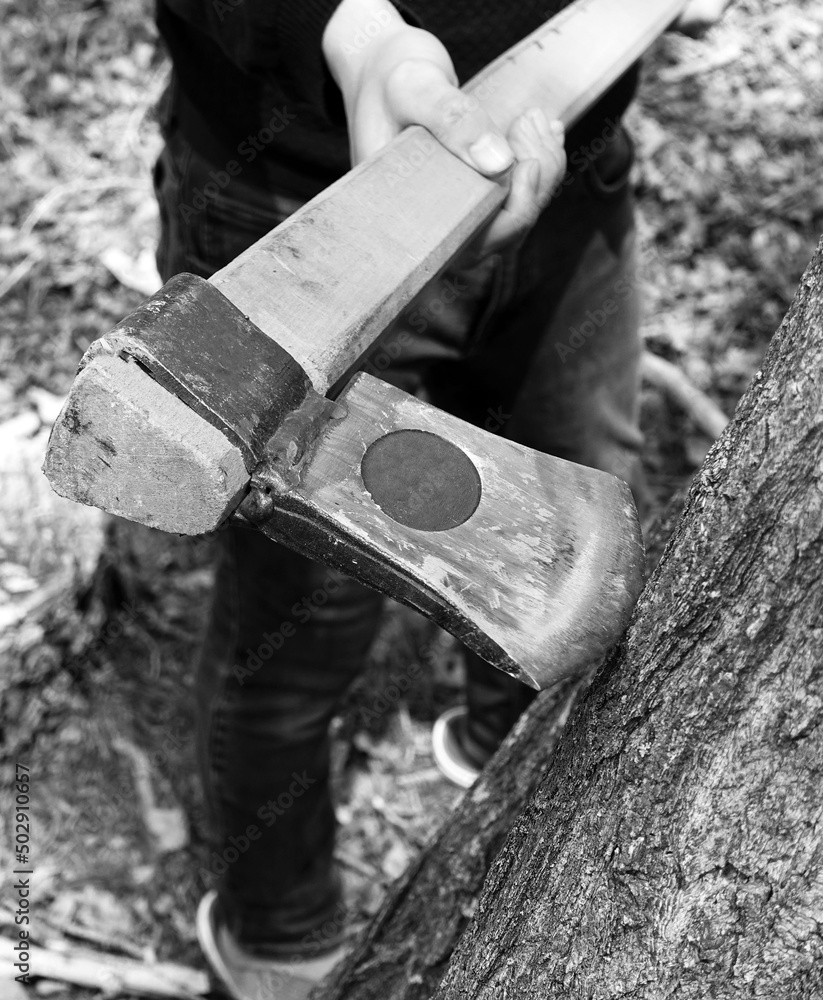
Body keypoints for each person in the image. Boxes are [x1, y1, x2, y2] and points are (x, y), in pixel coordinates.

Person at [151, 1, 727, 996]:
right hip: (309, 209)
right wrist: (351, 33)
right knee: (295, 634)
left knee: (569, 530)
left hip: (567, 158)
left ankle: (501, 746)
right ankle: (279, 933)